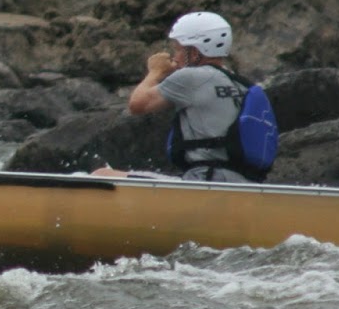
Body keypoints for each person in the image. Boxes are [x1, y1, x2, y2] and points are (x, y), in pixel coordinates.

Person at [101, 11, 256, 182]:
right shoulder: (241, 84)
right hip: (242, 179)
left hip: (205, 179)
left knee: (102, 175)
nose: (175, 57)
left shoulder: (191, 77)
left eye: (178, 49)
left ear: (196, 52)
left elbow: (137, 105)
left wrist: (155, 72)